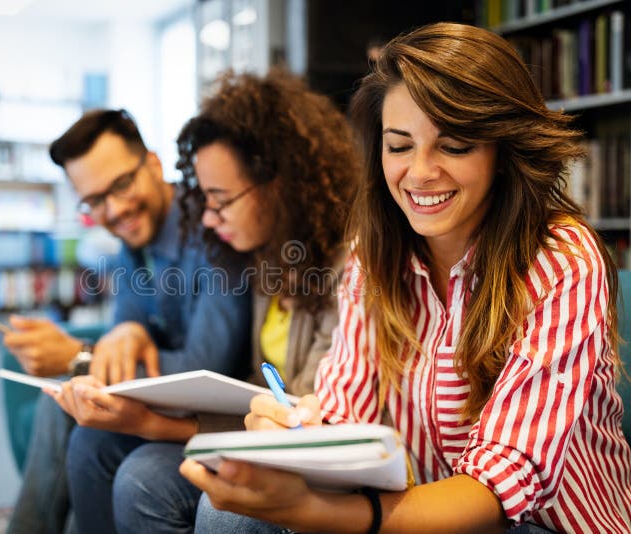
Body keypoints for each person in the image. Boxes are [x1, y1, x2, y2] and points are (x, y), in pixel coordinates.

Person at [181, 22, 631, 533]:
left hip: (536, 524)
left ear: (504, 153)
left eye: (454, 146)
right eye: (399, 146)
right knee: (227, 512)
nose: (419, 172)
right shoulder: (372, 256)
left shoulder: (561, 259)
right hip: (414, 511)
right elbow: (343, 411)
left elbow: (499, 489)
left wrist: (322, 511)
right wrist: (296, 431)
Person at [49, 69, 360, 533]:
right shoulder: (263, 256)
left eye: (220, 200)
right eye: (94, 201)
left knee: (143, 479)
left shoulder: (342, 270)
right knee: (89, 434)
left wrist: (143, 415)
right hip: (253, 424)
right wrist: (123, 335)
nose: (209, 220)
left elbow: (301, 419)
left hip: (298, 443)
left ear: (278, 182)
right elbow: (260, 383)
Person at [5, 108, 251, 534]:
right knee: (67, 401)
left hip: (225, 408)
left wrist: (81, 355)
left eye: (121, 185)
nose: (114, 209)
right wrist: (123, 335)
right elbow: (129, 328)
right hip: (181, 404)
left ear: (154, 165)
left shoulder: (213, 227)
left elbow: (206, 369)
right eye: (95, 201)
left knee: (87, 427)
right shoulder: (135, 244)